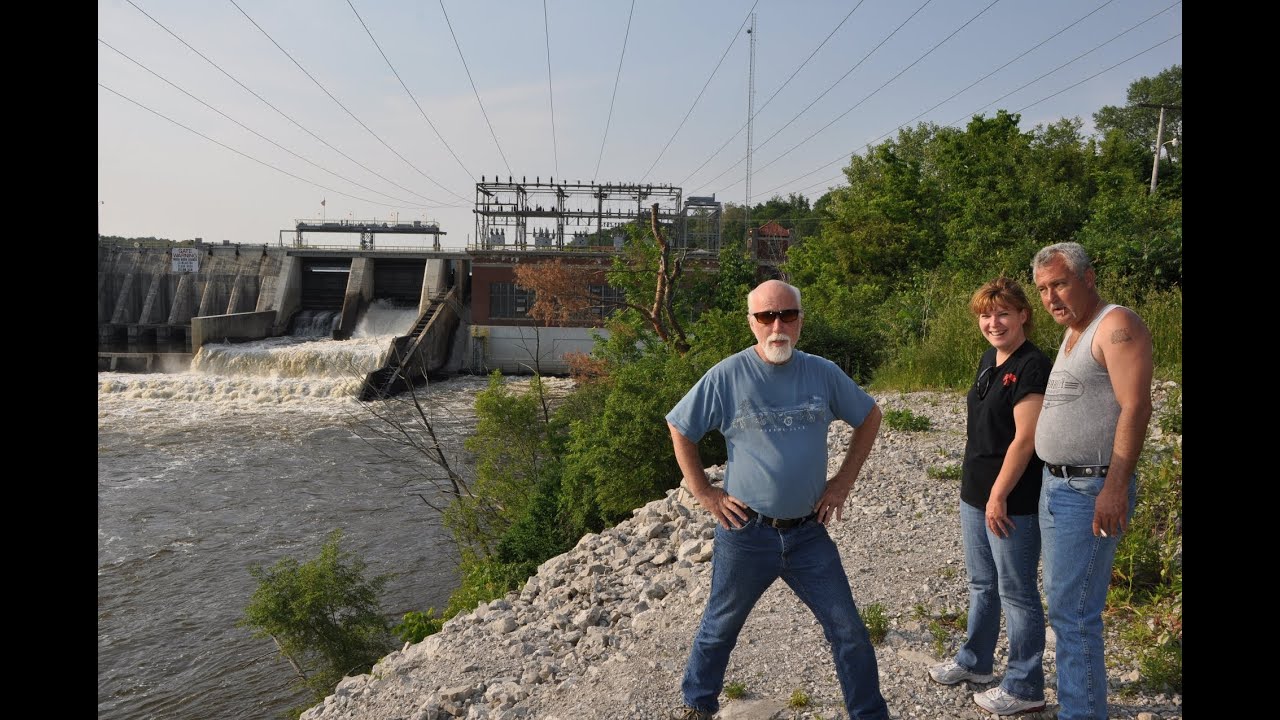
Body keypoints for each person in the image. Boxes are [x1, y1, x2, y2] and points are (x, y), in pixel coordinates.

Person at [665, 279, 890, 720]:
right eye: (766, 316)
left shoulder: (822, 372)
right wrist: (705, 493)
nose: (777, 325)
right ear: (751, 323)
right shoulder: (727, 375)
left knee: (849, 631)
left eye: (787, 314)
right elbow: (681, 428)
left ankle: (869, 715)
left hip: (807, 534)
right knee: (720, 626)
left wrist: (842, 482)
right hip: (746, 531)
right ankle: (697, 704)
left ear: (801, 321)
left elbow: (869, 416)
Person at [1031, 242, 1153, 720]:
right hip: (1058, 487)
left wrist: (1115, 487)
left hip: (1091, 491)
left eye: (1059, 284)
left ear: (1088, 277)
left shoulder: (1115, 326)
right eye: (1042, 289)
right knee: (1065, 608)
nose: (1050, 298)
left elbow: (1136, 406)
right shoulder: (1074, 331)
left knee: (1075, 614)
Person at [928, 277, 1050, 715]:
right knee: (982, 584)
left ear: (1023, 316)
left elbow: (1026, 438)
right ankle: (976, 661)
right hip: (975, 493)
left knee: (1017, 592)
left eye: (1002, 313)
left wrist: (998, 495)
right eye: (985, 314)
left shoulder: (1032, 365)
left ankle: (1024, 685)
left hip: (1011, 499)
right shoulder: (990, 358)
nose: (993, 322)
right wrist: (981, 494)